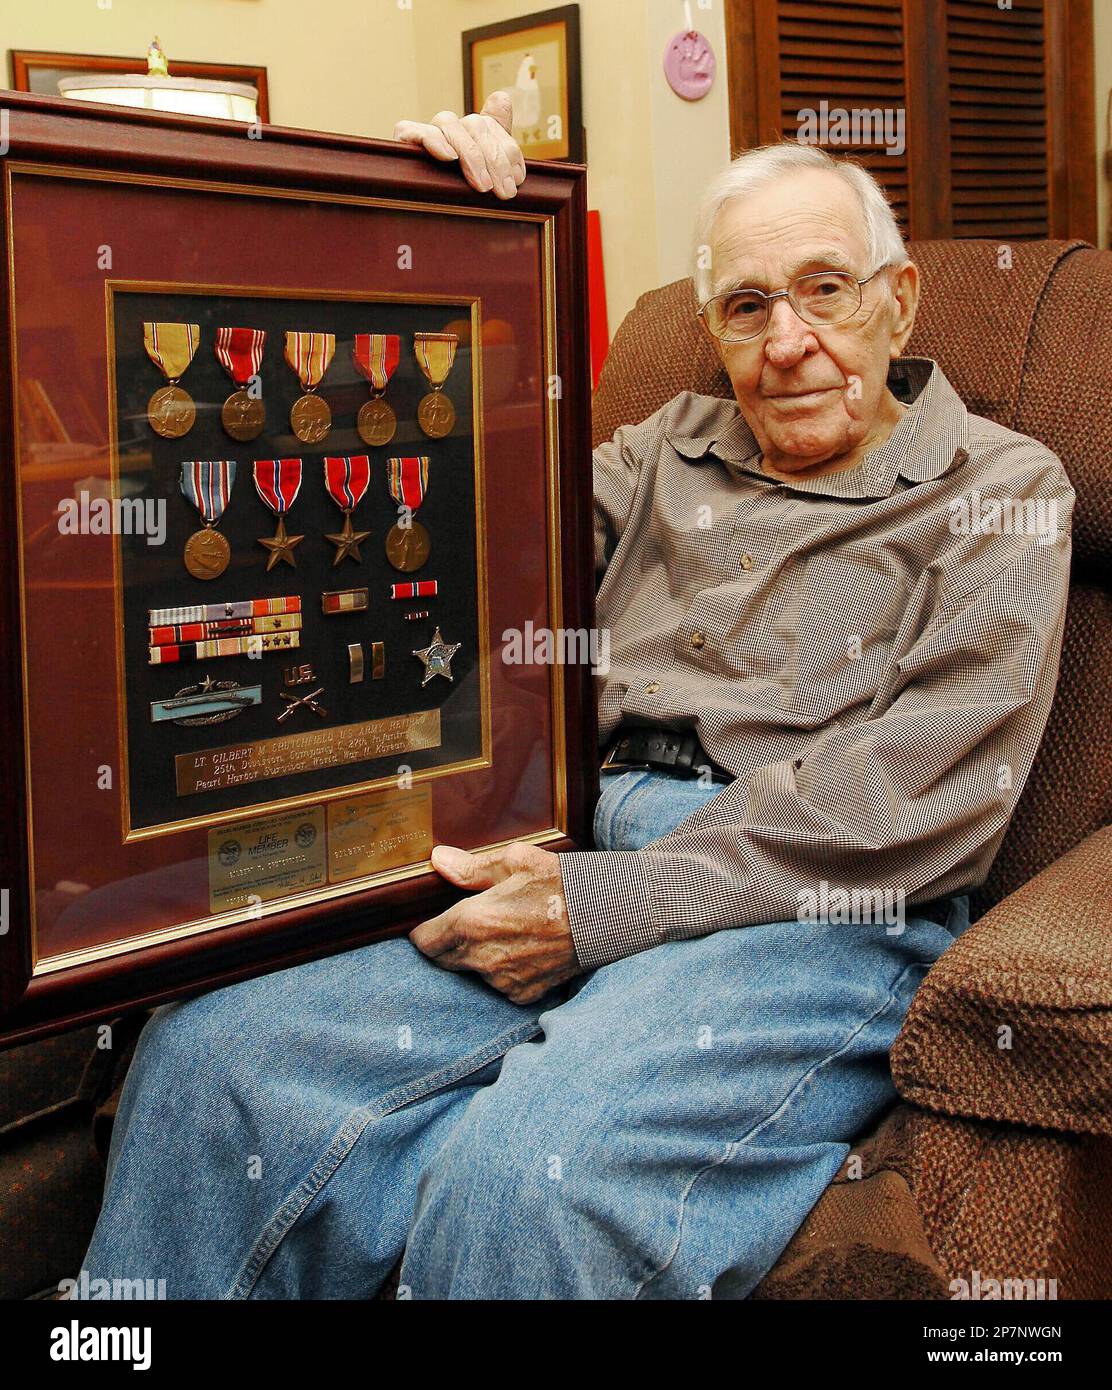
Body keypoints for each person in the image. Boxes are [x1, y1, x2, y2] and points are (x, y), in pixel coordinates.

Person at [75, 92, 1073, 1300]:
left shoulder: (1002, 486)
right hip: (554, 842)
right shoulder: (660, 448)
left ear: (897, 299)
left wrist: (605, 903)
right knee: (208, 1054)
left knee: (529, 1173)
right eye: (746, 306)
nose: (788, 340)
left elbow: (922, 799)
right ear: (711, 324)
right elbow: (437, 505)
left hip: (811, 905)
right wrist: (425, 224)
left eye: (826, 288)